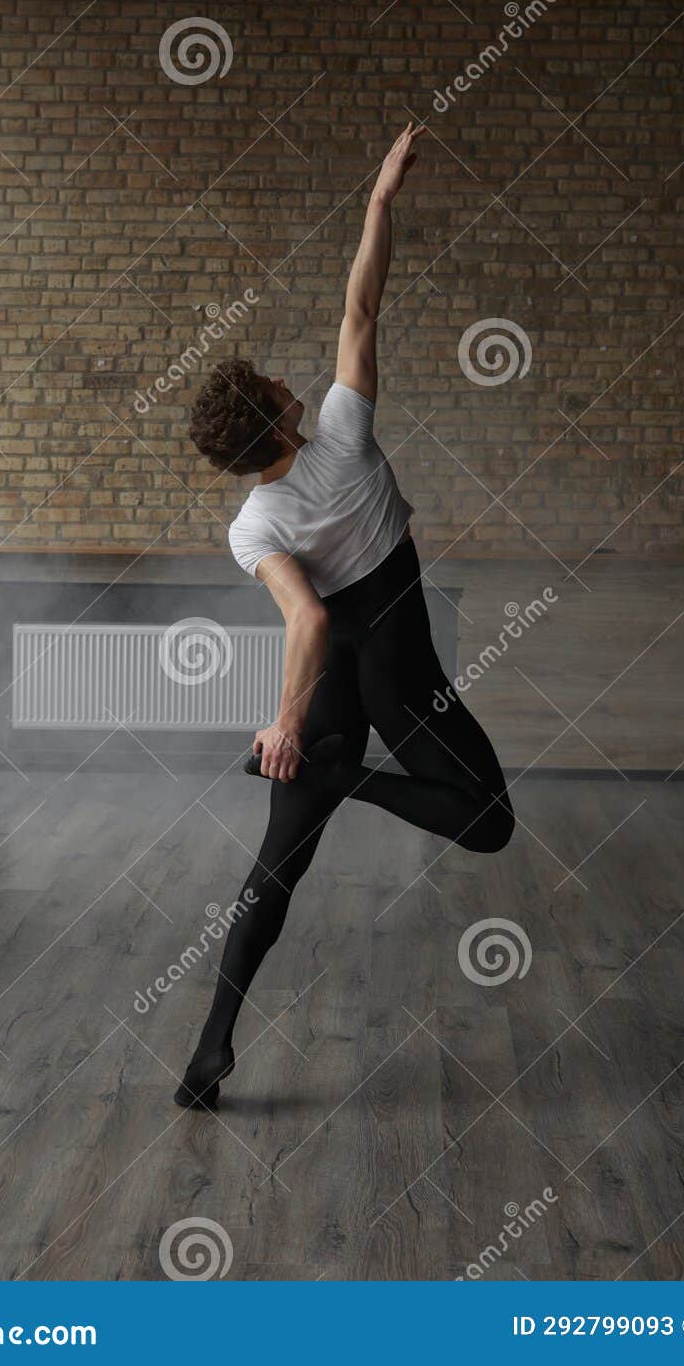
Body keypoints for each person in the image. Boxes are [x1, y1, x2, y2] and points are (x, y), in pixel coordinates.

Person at [179, 124, 514, 1108]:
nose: (293, 379)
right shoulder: (344, 433)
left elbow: (302, 614)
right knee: (488, 822)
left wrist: (293, 721)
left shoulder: (254, 524)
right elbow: (361, 304)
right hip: (393, 679)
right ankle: (349, 778)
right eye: (279, 386)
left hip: (331, 693)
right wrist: (378, 201)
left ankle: (209, 1050)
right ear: (279, 418)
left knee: (272, 872)